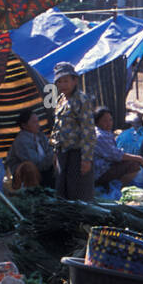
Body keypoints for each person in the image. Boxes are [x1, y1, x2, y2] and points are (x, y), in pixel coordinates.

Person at [51, 62, 96, 202]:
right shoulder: (60, 100)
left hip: (77, 154)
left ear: (74, 80)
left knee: (78, 194)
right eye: (59, 82)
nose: (62, 85)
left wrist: (86, 159)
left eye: (66, 80)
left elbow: (88, 131)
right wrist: (54, 151)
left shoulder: (81, 100)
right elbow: (57, 127)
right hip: (62, 153)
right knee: (62, 192)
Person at [92, 108, 143, 190]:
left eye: (110, 120)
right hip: (99, 173)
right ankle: (118, 189)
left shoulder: (103, 132)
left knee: (130, 160)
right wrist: (140, 159)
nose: (109, 123)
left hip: (105, 167)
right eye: (105, 121)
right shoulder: (100, 136)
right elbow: (117, 156)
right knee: (133, 164)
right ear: (97, 122)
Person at [5, 108, 55, 191]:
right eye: (34, 122)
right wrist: (52, 157)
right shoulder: (21, 141)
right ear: (24, 126)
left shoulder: (40, 136)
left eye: (37, 121)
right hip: (26, 177)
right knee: (29, 167)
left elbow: (49, 149)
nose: (38, 125)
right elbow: (36, 164)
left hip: (44, 169)